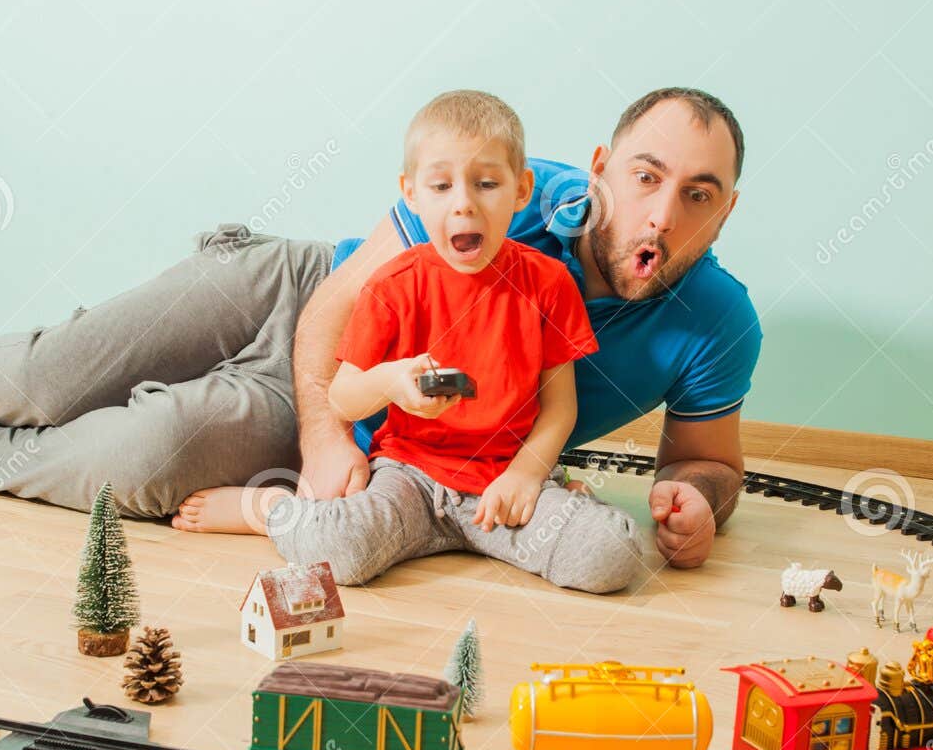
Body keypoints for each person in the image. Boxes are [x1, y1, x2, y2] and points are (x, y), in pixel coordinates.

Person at [0, 86, 760, 569]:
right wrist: (326, 433)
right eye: (644, 176)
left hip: (376, 422)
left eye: (696, 194)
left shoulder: (717, 320)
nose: (660, 214)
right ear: (599, 167)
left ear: (723, 211)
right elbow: (339, 306)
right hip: (296, 295)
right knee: (55, 373)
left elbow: (708, 460)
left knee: (150, 453)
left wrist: (697, 503)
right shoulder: (504, 189)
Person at [170, 90, 641, 593]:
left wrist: (527, 475)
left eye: (487, 184)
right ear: (411, 193)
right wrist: (392, 381)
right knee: (342, 556)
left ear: (521, 190)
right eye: (441, 186)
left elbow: (559, 410)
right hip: (409, 479)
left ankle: (543, 506)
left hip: (501, 488)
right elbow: (343, 396)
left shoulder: (549, 283)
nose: (464, 204)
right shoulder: (395, 284)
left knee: (610, 557)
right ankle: (271, 510)